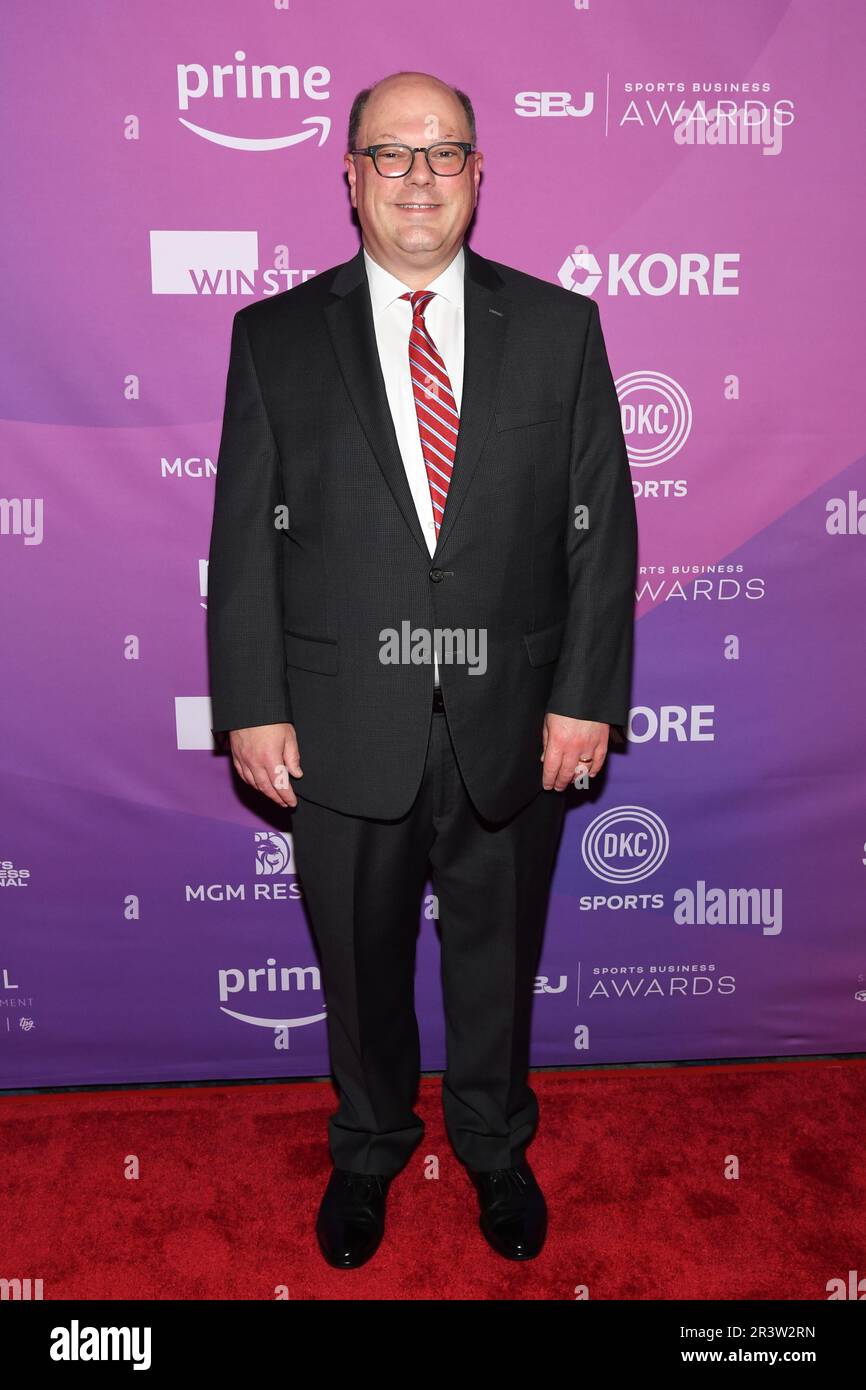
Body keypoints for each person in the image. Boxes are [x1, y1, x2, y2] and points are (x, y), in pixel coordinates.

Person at [206, 69, 637, 1269]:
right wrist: (251, 705)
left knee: (497, 961)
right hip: (342, 721)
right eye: (388, 155)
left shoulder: (559, 327)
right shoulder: (273, 337)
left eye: (443, 152)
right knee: (357, 956)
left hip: (513, 713)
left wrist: (585, 696)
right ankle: (369, 1146)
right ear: (346, 178)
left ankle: (494, 1146)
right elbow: (242, 540)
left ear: (479, 173)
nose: (416, 178)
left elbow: (599, 525)